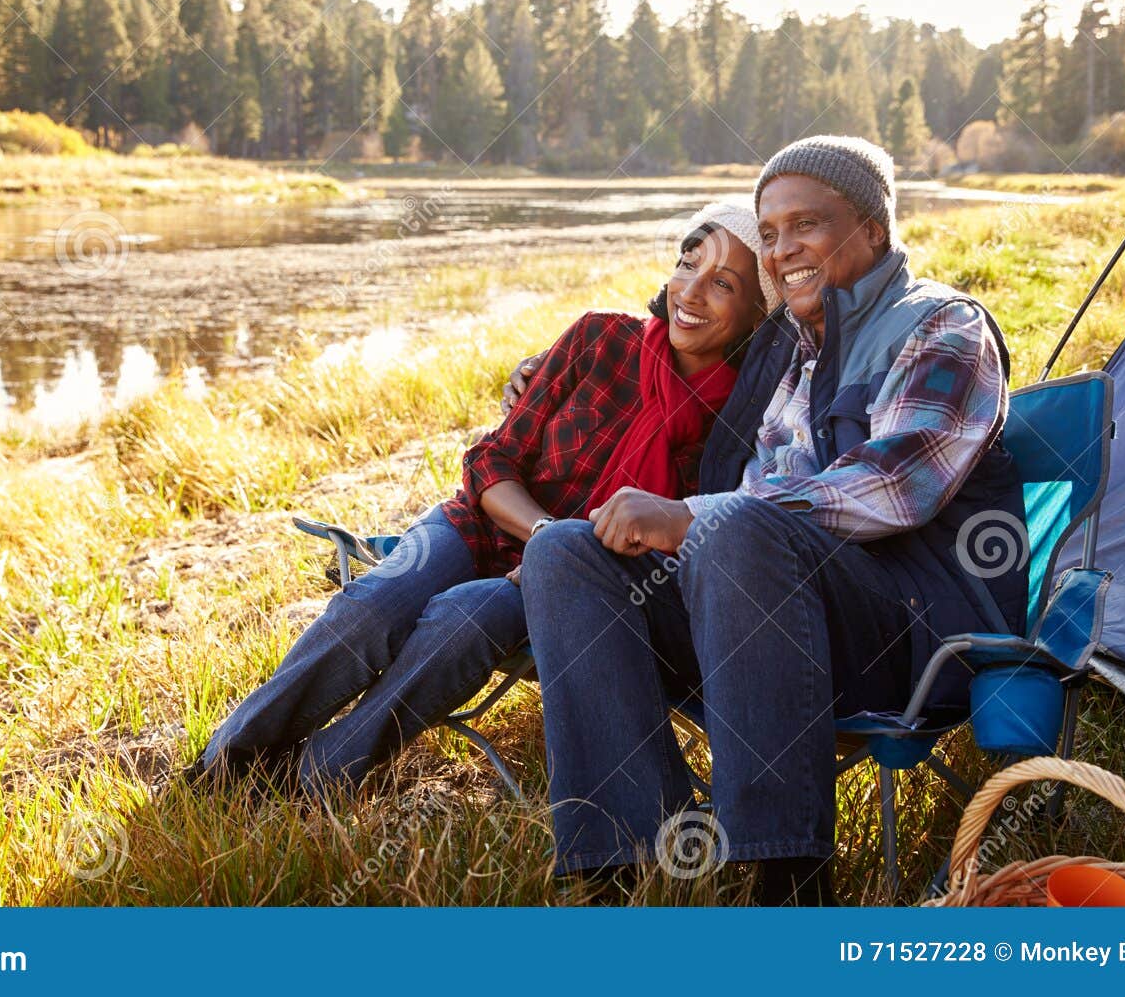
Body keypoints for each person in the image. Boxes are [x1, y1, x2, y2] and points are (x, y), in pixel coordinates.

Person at [517, 136, 1026, 904]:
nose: (783, 249)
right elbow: (750, 474)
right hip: (778, 624)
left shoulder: (942, 326)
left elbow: (897, 484)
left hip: (914, 635)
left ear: (874, 230)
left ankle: (789, 880)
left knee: (739, 526)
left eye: (807, 225)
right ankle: (624, 859)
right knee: (565, 551)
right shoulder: (794, 355)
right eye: (771, 231)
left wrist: (694, 516)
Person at [187, 203, 776, 792]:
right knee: (373, 606)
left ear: (759, 311)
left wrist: (561, 562)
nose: (691, 293)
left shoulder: (739, 424)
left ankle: (313, 778)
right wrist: (546, 534)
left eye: (722, 284)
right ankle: (225, 763)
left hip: (568, 585)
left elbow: (677, 545)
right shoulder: (602, 338)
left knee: (459, 625)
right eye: (686, 264)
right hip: (480, 523)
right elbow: (493, 459)